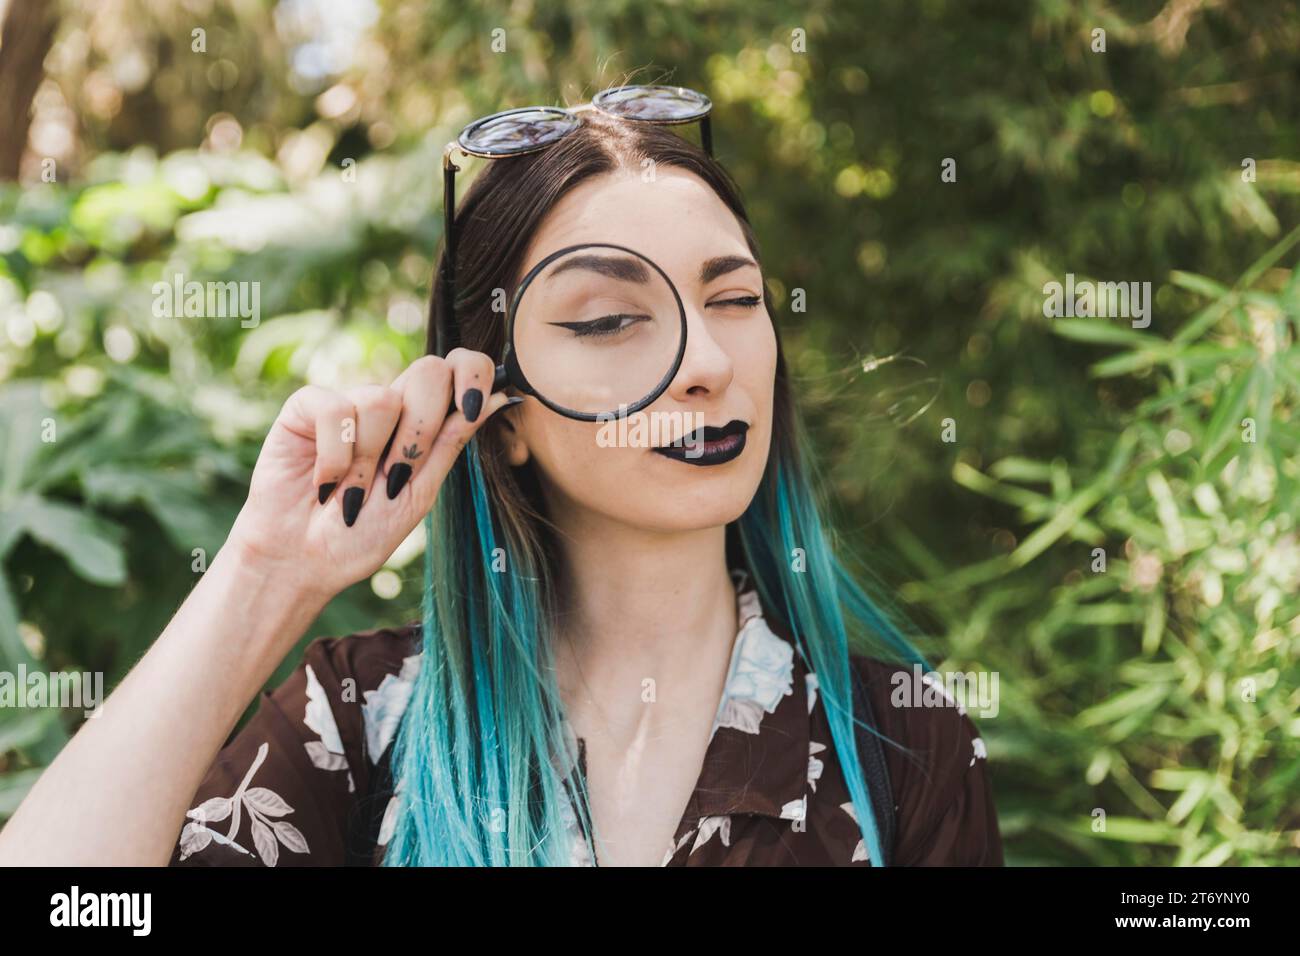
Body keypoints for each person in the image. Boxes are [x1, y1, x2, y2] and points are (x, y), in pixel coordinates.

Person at [0, 102, 1002, 868]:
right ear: (504, 407)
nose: (704, 360)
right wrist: (269, 572)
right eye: (609, 320)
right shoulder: (364, 723)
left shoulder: (898, 746)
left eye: (733, 297)